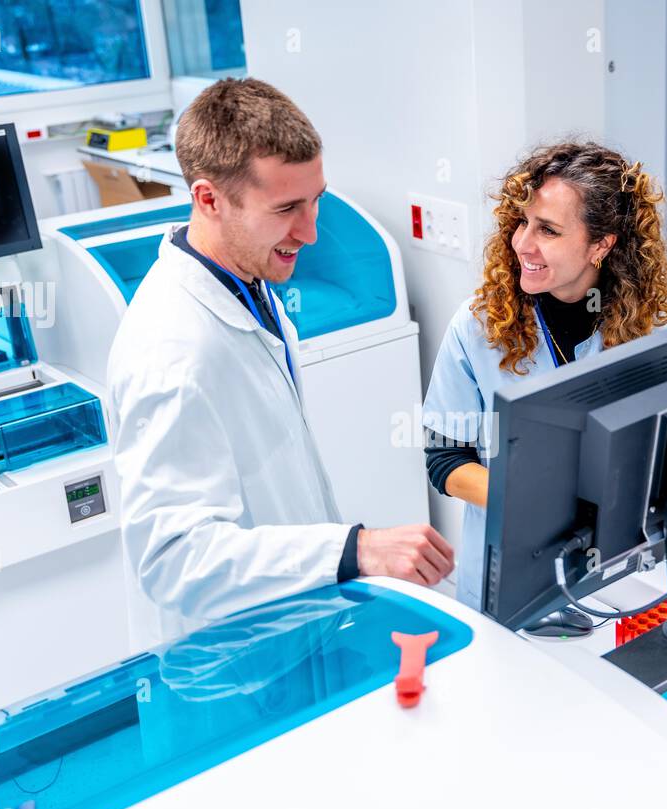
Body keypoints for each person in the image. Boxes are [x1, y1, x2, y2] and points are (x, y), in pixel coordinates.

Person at [108, 78, 453, 647]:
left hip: (286, 623)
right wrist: (355, 549)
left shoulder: (246, 279)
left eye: (316, 199)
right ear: (209, 200)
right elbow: (173, 559)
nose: (312, 232)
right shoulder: (171, 354)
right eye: (287, 208)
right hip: (224, 666)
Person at [422, 141, 667, 611]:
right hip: (508, 570)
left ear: (601, 244)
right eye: (522, 221)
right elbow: (444, 460)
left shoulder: (653, 335)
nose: (523, 243)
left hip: (617, 574)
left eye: (548, 230)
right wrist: (531, 506)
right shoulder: (479, 328)